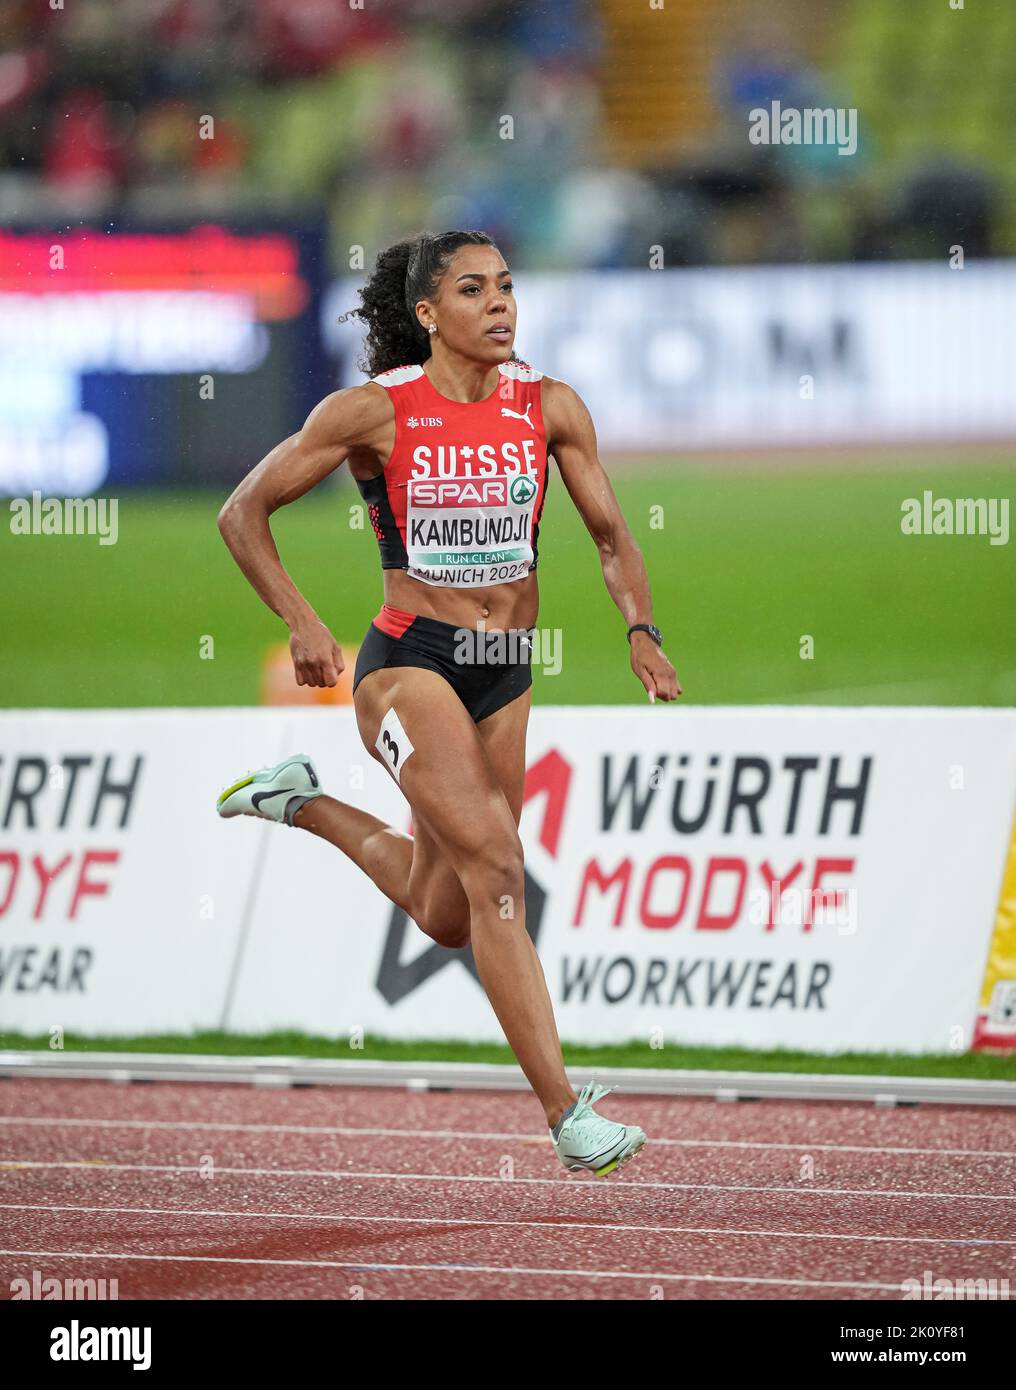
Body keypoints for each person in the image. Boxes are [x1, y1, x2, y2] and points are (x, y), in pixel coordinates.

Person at [215, 230, 681, 1175]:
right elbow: (242, 513)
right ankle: (566, 1114)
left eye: (508, 286)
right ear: (429, 315)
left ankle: (296, 799)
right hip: (407, 663)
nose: (501, 305)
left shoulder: (548, 407)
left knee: (443, 910)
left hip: (503, 667)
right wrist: (306, 623)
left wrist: (641, 628)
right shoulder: (371, 414)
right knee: (499, 871)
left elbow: (608, 533)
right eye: (475, 291)